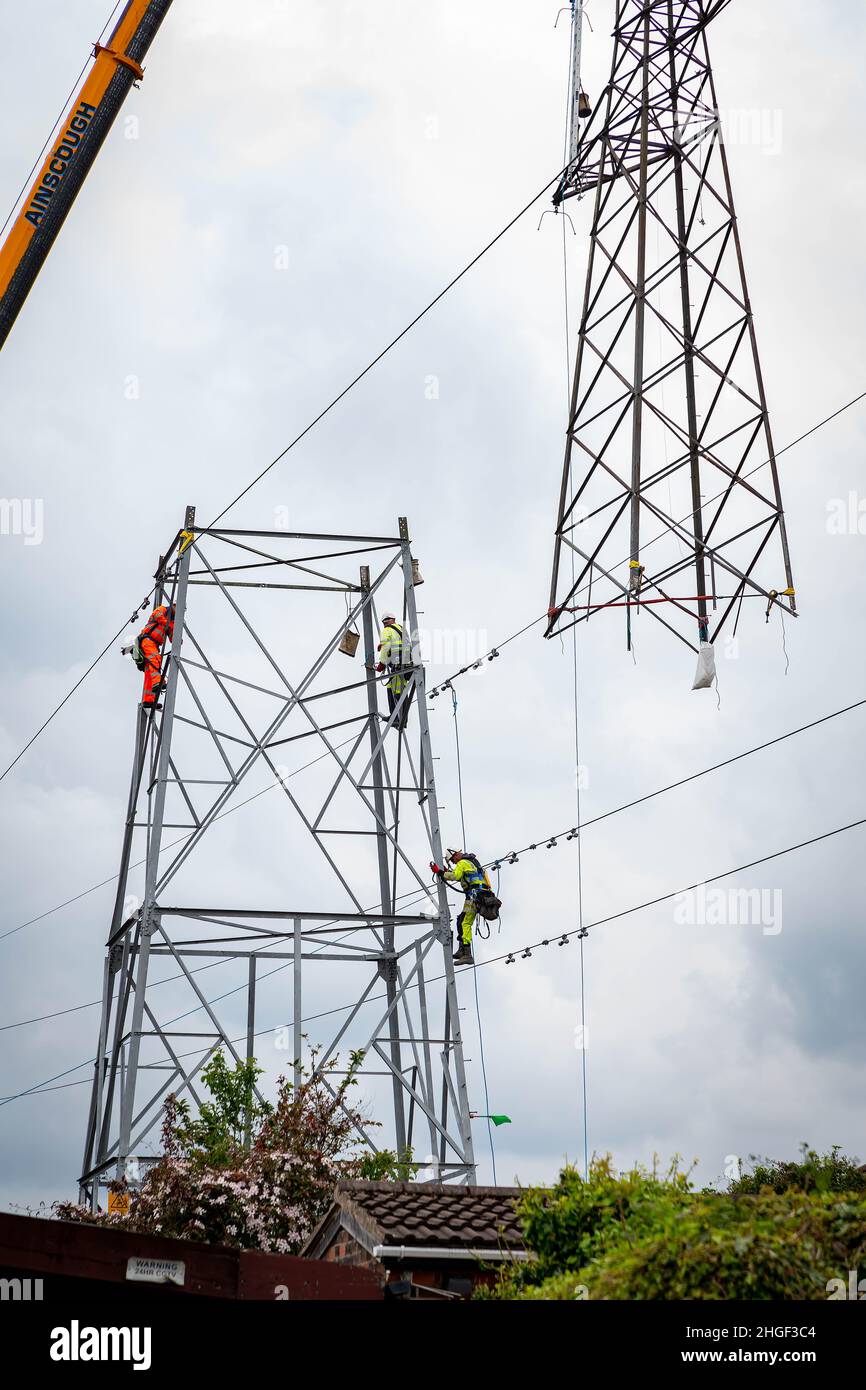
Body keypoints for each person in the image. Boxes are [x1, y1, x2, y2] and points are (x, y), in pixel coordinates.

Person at [434, 848, 495, 965]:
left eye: (452, 860)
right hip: (476, 896)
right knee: (461, 920)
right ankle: (462, 950)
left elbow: (456, 876)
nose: (453, 862)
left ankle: (467, 954)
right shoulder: (470, 862)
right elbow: (460, 876)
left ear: (456, 854)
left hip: (475, 897)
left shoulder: (462, 863)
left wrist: (440, 872)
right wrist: (446, 872)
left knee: (465, 923)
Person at [376, 610, 413, 730]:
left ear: (385, 621)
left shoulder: (387, 630)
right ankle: (395, 716)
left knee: (398, 693)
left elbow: (386, 648)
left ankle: (401, 719)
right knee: (392, 689)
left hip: (398, 665)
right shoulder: (402, 629)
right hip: (408, 664)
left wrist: (382, 664)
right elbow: (404, 644)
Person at [138, 602, 175, 708]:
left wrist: (176, 635)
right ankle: (158, 682)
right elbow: (157, 615)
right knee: (155, 660)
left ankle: (148, 700)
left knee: (150, 672)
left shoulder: (172, 621)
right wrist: (169, 625)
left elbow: (173, 638)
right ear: (173, 605)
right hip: (147, 640)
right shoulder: (163, 609)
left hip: (154, 644)